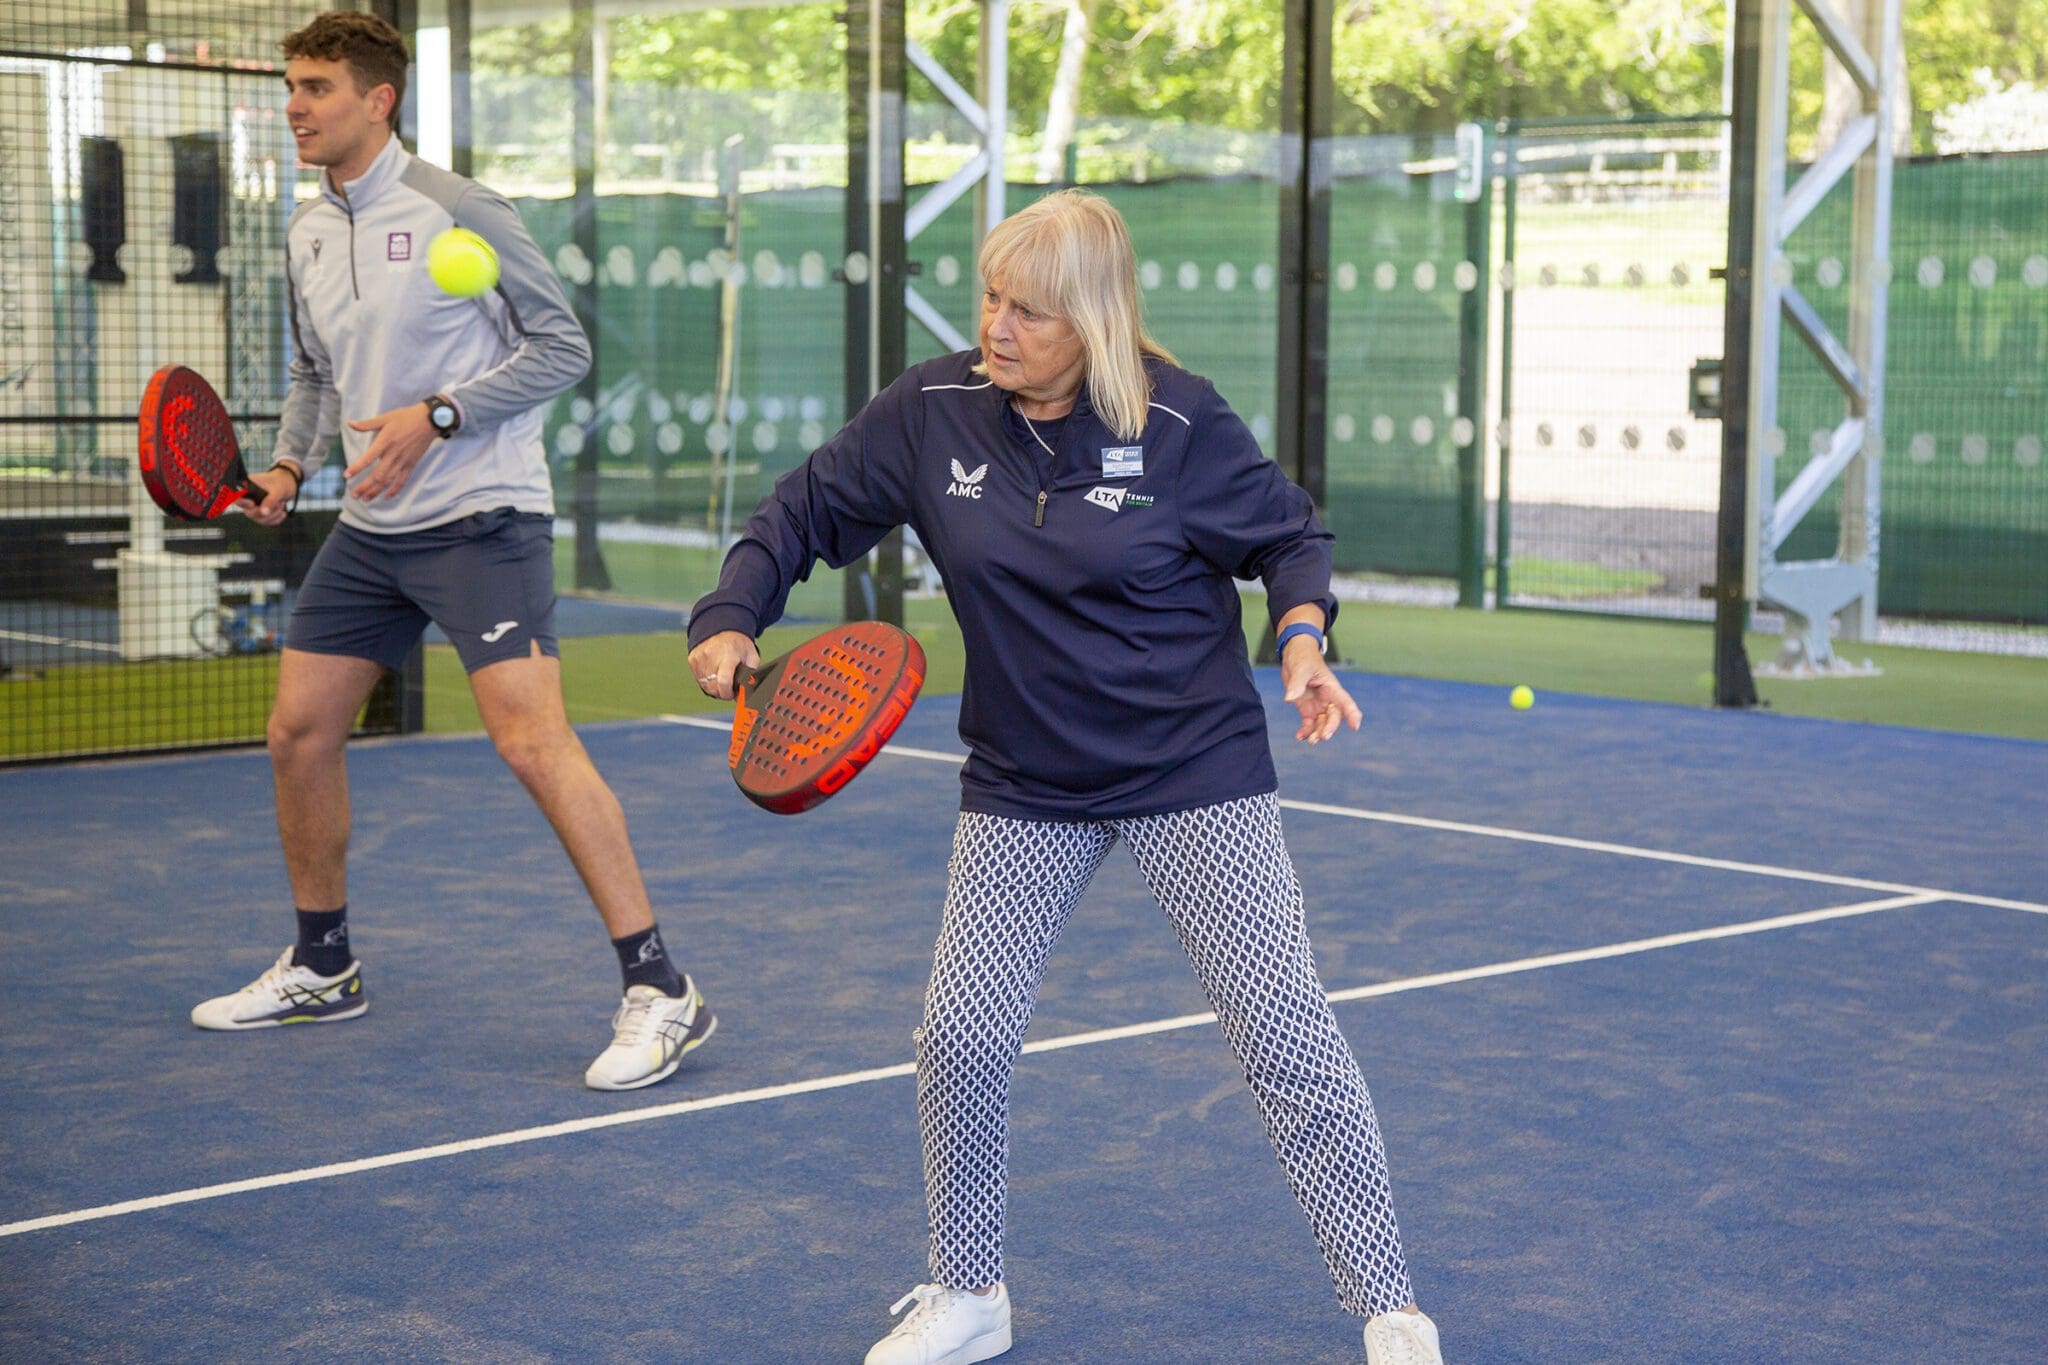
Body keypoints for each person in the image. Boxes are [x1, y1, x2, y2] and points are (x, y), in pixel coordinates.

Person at [688, 189, 1441, 1364]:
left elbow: (1287, 537)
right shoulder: (930, 412)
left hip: (1191, 770)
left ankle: (1388, 1309)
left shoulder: (1182, 423)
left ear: (1091, 322)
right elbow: (805, 510)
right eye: (989, 297)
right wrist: (732, 613)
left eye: (1027, 312)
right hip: (1024, 778)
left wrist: (1299, 639)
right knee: (962, 1035)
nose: (994, 326)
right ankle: (969, 1292)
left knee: (1282, 1038)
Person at [188, 11, 714, 1093]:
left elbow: (561, 348)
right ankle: (325, 963)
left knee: (531, 745)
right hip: (370, 532)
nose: (296, 105)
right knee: (297, 733)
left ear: (377, 100)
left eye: (319, 87)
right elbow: (316, 376)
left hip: (480, 515)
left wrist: (436, 415)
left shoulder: (460, 210)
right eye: (292, 85)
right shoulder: (303, 230)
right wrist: (289, 469)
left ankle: (662, 988)